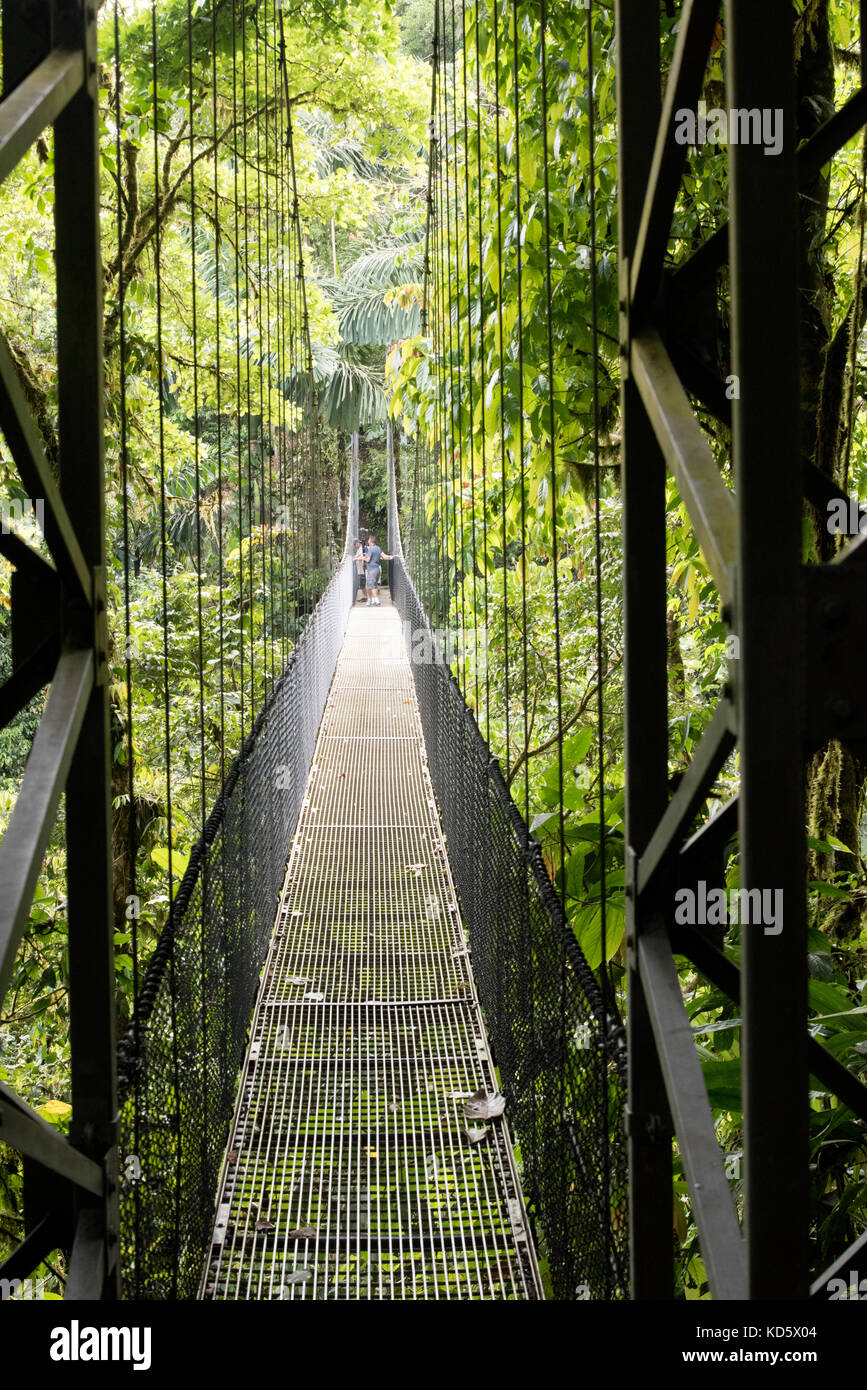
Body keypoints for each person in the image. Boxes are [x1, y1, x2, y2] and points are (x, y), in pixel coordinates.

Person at [363, 534, 392, 606]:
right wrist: (392, 557)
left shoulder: (370, 549)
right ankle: (370, 600)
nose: (367, 541)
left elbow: (368, 560)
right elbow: (384, 557)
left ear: (370, 541)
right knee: (373, 585)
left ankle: (376, 600)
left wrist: (362, 558)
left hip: (371, 569)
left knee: (371, 586)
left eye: (368, 539)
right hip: (377, 569)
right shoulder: (378, 548)